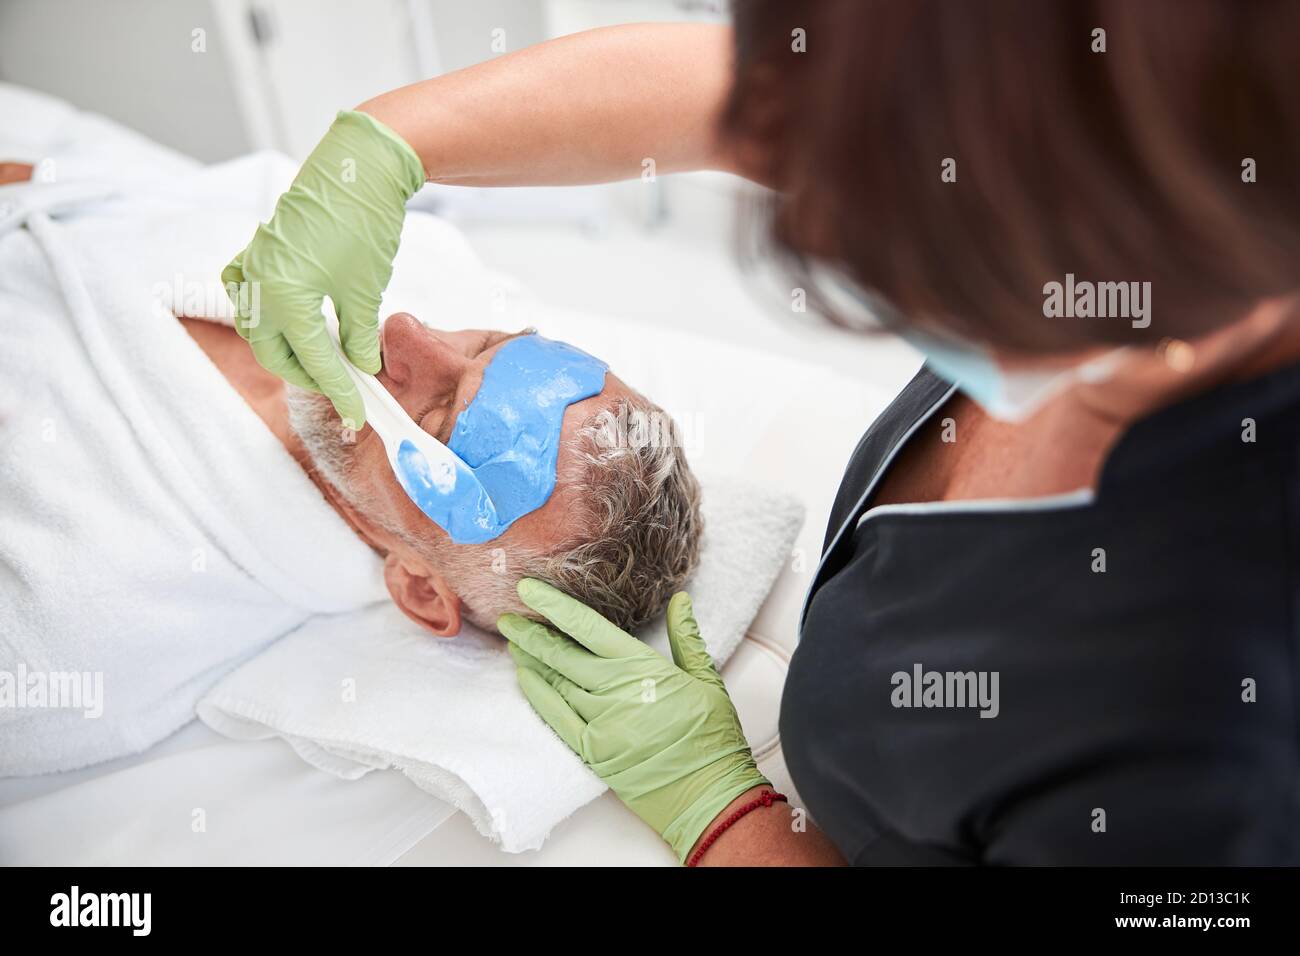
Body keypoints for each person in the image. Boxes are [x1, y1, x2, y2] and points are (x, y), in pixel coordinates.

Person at [224, 2, 1300, 865]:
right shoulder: (1103, 128)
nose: (407, 328)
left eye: (906, 233)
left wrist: (721, 815)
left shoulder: (1219, 746)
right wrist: (393, 141)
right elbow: (738, 95)